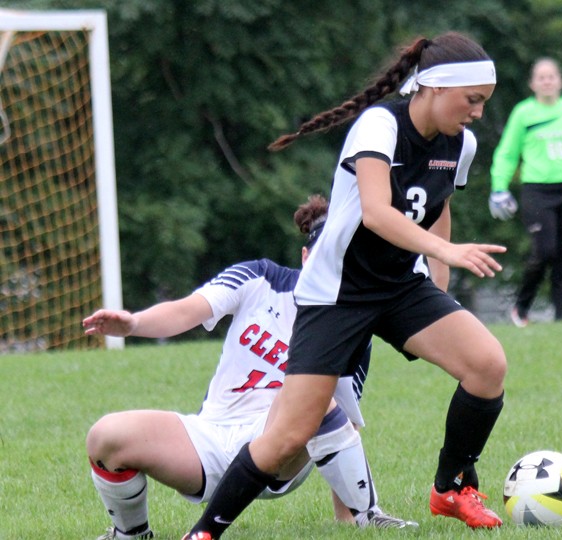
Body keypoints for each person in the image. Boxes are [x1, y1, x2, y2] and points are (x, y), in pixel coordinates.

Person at [181, 31, 507, 540]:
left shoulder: (460, 143)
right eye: (473, 100)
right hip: (336, 294)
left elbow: (441, 205)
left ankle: (451, 487)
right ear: (436, 88)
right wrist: (444, 252)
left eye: (483, 103)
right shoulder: (378, 125)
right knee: (288, 436)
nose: (478, 114)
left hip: (401, 287)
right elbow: (376, 213)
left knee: (487, 366)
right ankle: (204, 532)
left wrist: (439, 281)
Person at [82, 195, 416, 540]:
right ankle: (130, 534)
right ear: (306, 257)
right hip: (211, 436)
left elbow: (342, 420)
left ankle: (369, 515)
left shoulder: (353, 324)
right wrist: (134, 324)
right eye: (325, 257)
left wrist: (349, 514)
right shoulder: (261, 276)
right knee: (105, 435)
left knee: (307, 395)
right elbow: (187, 310)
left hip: (278, 450)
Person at [489, 57, 562, 327]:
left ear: (560, 81)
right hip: (538, 191)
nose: (547, 81)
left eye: (551, 76)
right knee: (545, 251)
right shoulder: (523, 113)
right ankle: (521, 307)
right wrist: (499, 187)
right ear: (532, 83)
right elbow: (507, 153)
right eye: (541, 77)